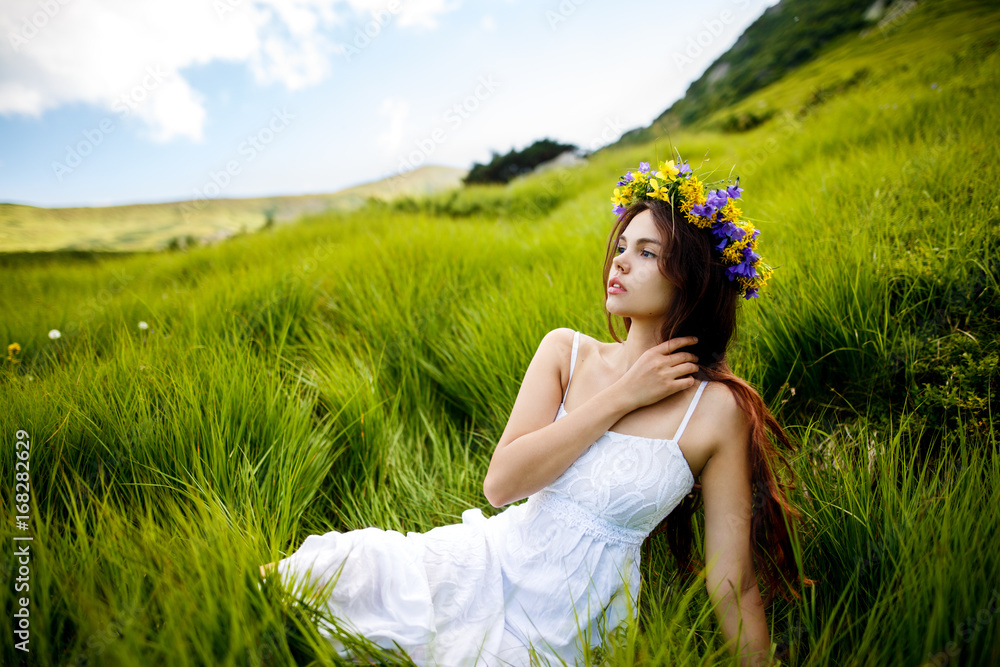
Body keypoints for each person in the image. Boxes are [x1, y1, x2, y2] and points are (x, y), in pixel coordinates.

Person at [259, 155, 813, 666]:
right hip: (488, 563)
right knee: (339, 569)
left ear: (691, 278)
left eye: (647, 253)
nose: (619, 262)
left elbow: (731, 580)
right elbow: (501, 485)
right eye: (622, 245)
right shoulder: (566, 353)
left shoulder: (716, 410)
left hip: (573, 618)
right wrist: (623, 395)